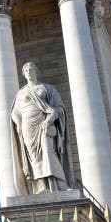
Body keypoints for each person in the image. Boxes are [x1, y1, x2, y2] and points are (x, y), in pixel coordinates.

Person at [10, 62, 72, 194]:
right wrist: (19, 123)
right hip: (28, 126)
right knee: (35, 157)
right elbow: (14, 112)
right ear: (24, 74)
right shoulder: (21, 93)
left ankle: (60, 183)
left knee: (48, 151)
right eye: (25, 70)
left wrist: (50, 119)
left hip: (45, 123)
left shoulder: (47, 88)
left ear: (36, 72)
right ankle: (41, 186)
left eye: (31, 69)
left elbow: (59, 107)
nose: (28, 71)